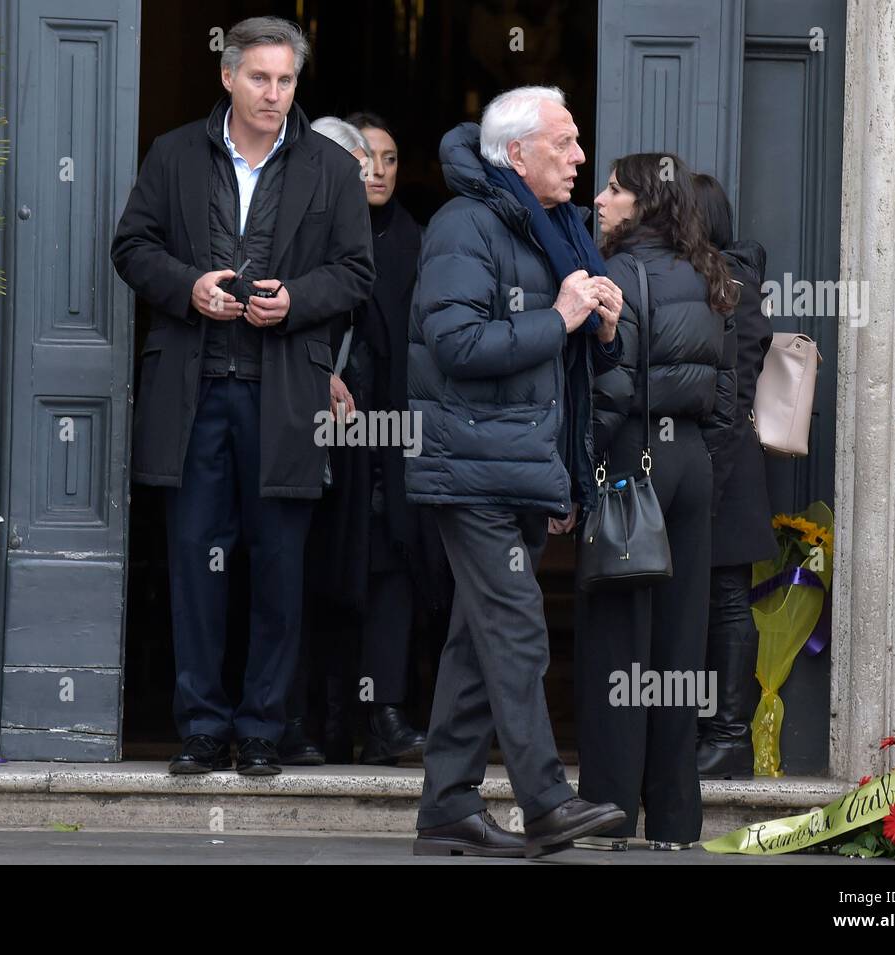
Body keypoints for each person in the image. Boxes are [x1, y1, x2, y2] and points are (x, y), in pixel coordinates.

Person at [110, 17, 374, 776]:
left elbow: (357, 272)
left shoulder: (329, 166)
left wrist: (296, 300)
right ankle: (199, 726)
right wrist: (188, 286)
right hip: (193, 391)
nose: (274, 93)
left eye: (286, 80)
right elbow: (132, 247)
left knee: (278, 565)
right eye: (260, 78)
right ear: (227, 76)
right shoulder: (173, 153)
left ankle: (262, 728)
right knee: (196, 559)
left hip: (285, 392)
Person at [407, 86, 626, 858]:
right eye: (564, 144)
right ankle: (544, 799)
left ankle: (447, 806)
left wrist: (599, 326)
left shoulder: (552, 228)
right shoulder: (465, 223)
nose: (579, 158)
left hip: (518, 464)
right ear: (518, 153)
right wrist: (562, 316)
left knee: (478, 638)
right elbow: (459, 345)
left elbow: (567, 360)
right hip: (471, 465)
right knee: (516, 628)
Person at [577, 152, 737, 844]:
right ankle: (676, 817)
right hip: (691, 463)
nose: (601, 197)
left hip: (629, 462)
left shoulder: (614, 275)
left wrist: (582, 474)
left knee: (618, 645)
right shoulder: (710, 276)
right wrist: (704, 470)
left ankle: (609, 813)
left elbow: (611, 392)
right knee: (679, 645)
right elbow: (728, 395)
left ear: (641, 203)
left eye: (614, 188)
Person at [287, 113, 434, 766]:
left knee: (391, 569)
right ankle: (322, 717)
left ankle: (388, 714)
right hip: (329, 437)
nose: (376, 170)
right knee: (326, 571)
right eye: (366, 157)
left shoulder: (415, 242)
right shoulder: (313, 230)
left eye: (391, 158)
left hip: (395, 440)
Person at [691, 173, 775, 778]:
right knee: (708, 600)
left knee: (724, 599)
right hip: (709, 463)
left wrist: (708, 479)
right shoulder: (716, 278)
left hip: (724, 465)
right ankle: (704, 730)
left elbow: (734, 384)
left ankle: (728, 736)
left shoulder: (733, 284)